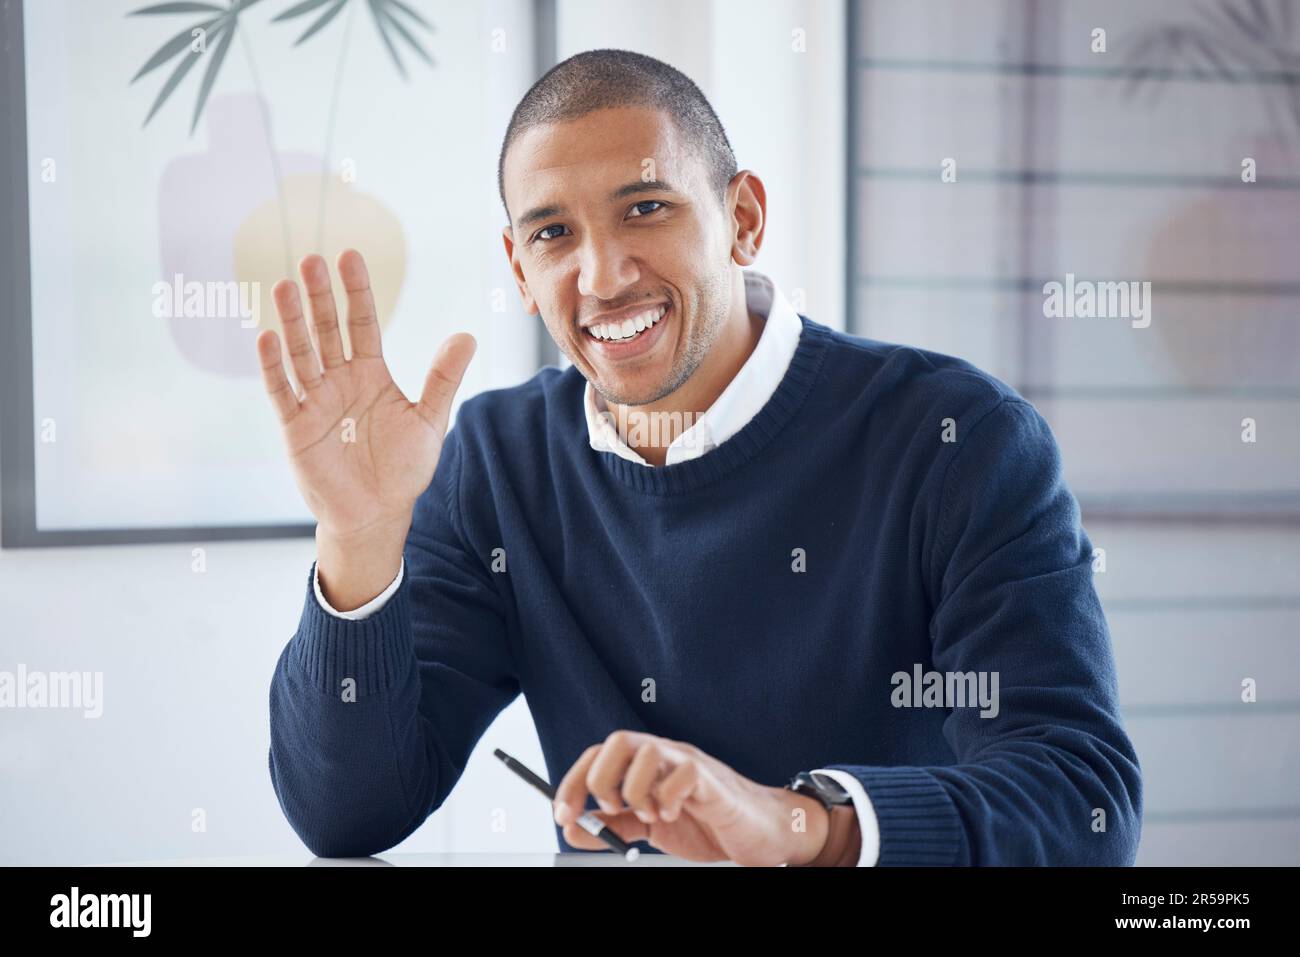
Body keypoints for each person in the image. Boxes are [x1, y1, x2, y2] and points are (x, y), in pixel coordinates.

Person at [258, 49, 1142, 866]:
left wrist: (791, 823)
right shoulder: (494, 462)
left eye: (646, 207)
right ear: (519, 271)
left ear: (742, 218)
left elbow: (1079, 803)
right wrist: (359, 536)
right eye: (553, 234)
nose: (602, 276)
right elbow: (350, 813)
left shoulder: (958, 440)